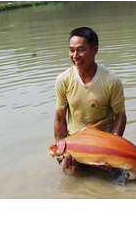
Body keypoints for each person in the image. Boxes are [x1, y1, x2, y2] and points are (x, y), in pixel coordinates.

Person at [54, 27, 127, 170]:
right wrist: (60, 151)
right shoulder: (63, 80)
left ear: (95, 50)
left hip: (103, 145)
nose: (75, 55)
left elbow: (120, 117)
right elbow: (59, 119)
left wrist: (112, 149)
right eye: (71, 50)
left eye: (80, 50)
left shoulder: (111, 81)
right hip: (75, 146)